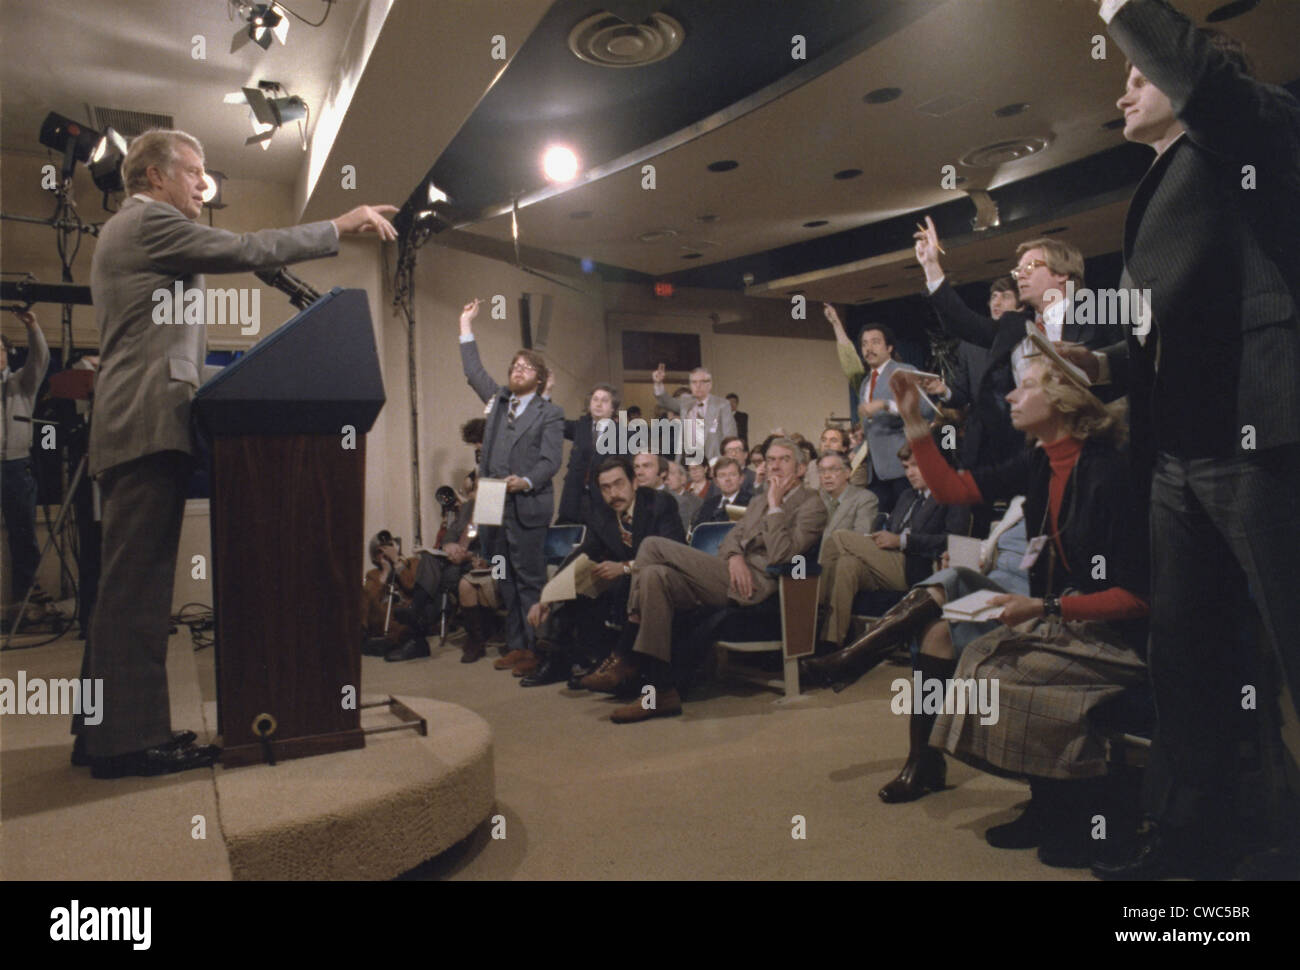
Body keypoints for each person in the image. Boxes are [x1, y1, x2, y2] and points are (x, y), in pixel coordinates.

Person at [1056, 0, 1300, 880]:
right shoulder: (1163, 180)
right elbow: (1176, 328)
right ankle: (1197, 843)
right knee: (1190, 664)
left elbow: (1215, 86)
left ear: (1186, 74)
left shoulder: (1256, 129)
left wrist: (1122, 6)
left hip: (1262, 445)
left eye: (1136, 73)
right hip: (1178, 462)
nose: (1122, 91)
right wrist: (1104, 361)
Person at [78, 128, 396, 779]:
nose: (202, 184)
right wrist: (338, 224)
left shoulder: (133, 229)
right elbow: (245, 247)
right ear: (156, 177)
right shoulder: (146, 224)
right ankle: (129, 745)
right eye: (192, 172)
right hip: (143, 424)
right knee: (135, 597)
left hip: (132, 424)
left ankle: (100, 733)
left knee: (122, 592)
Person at [880, 358, 1150, 868]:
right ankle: (1048, 804)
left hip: (1117, 633)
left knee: (1009, 675)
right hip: (1069, 618)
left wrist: (1045, 606)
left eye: (1025, 387)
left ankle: (1077, 811)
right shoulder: (1042, 460)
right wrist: (914, 419)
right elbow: (951, 489)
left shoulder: (1110, 471)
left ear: (1065, 401)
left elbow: (1138, 596)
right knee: (982, 655)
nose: (1009, 396)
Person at [591, 438, 826, 722]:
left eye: (783, 459)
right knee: (654, 575)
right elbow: (729, 542)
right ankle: (659, 691)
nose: (774, 465)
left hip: (759, 586)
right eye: (770, 459)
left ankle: (625, 652)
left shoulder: (812, 505)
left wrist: (776, 506)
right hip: (730, 573)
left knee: (652, 545)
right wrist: (734, 557)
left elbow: (782, 555)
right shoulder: (757, 500)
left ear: (801, 468)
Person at [459, 297, 564, 680]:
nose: (518, 371)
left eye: (526, 367)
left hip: (527, 505)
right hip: (492, 507)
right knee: (504, 577)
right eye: (515, 366)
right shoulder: (500, 402)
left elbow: (551, 461)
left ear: (539, 377)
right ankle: (518, 645)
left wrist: (527, 480)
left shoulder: (549, 412)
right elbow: (474, 373)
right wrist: (466, 326)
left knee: (529, 580)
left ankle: (535, 649)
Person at [803, 443, 969, 681]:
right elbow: (890, 531)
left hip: (921, 565)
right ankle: (832, 648)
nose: (910, 472)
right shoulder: (907, 495)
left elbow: (955, 540)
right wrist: (885, 539)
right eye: (906, 467)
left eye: (916, 466)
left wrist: (902, 541)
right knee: (847, 565)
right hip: (890, 561)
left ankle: (813, 603)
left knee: (839, 537)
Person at [526, 456, 685, 687]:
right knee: (582, 582)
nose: (613, 493)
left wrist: (624, 568)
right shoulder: (600, 512)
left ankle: (615, 665)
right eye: (605, 488)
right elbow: (583, 553)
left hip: (662, 578)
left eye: (619, 484)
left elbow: (672, 553)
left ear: (634, 482)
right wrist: (547, 597)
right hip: (625, 581)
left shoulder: (659, 503)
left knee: (620, 584)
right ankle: (565, 659)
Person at [1, 309, 50, 612]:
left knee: (23, 532)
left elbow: (40, 361)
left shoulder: (21, 384)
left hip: (16, 466)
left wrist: (33, 327)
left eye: (0, 349)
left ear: (7, 354)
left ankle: (26, 597)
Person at [557, 383, 622, 525]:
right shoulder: (580, 426)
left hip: (603, 503)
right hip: (573, 501)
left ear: (613, 408)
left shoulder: (622, 434)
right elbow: (553, 422)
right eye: (595, 399)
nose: (598, 404)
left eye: (604, 401)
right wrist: (546, 392)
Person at [651, 363, 736, 463]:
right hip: (686, 461)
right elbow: (666, 402)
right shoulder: (686, 401)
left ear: (710, 385)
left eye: (702, 382)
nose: (698, 386)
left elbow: (730, 438)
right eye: (694, 382)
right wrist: (658, 383)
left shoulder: (721, 404)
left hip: (712, 461)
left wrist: (725, 463)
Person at [692, 456, 753, 528]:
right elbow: (697, 531)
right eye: (722, 475)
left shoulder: (752, 502)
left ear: (741, 479)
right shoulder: (708, 504)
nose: (727, 479)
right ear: (716, 482)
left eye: (732, 474)